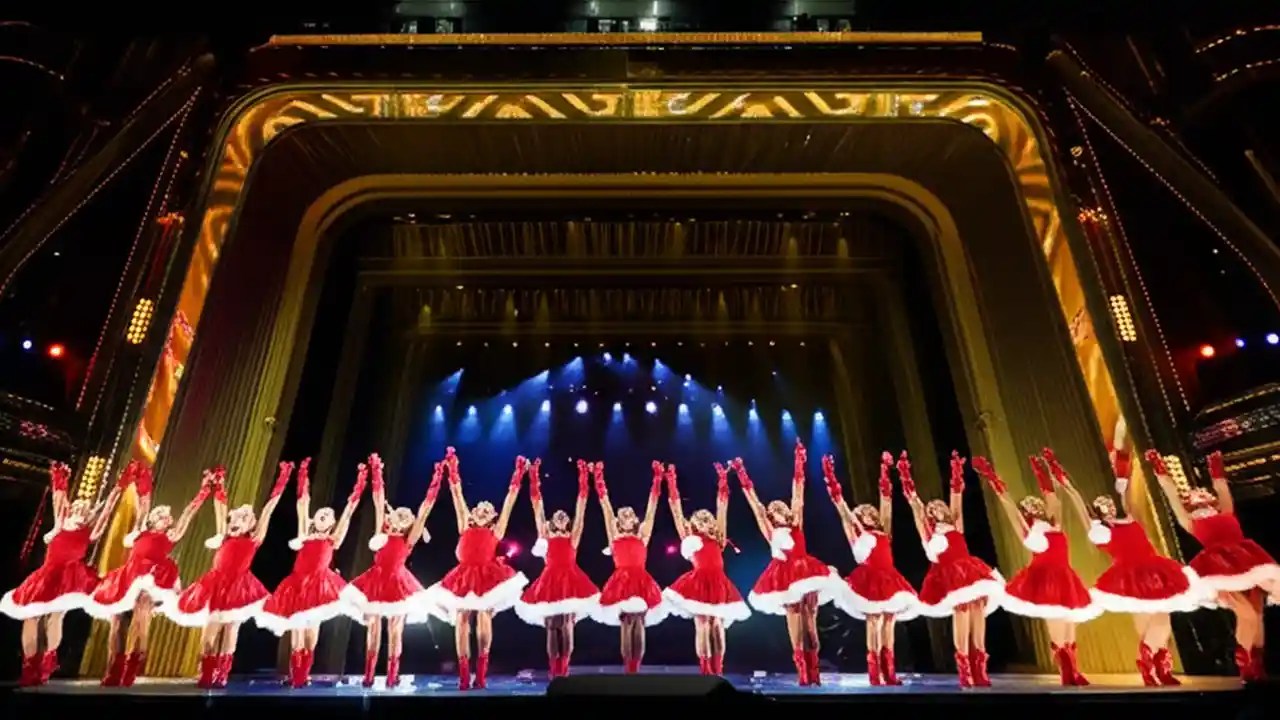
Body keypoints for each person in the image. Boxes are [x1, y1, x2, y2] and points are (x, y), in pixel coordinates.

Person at [1053, 445, 1202, 686]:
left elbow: (1126, 496)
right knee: (1150, 623)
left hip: (1155, 570)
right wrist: (1065, 482)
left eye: (1110, 503)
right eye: (1103, 506)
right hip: (1130, 577)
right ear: (1098, 513)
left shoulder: (1129, 518)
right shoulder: (1100, 531)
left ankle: (1156, 666)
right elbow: (1081, 506)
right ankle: (1150, 666)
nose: (1109, 507)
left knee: (1160, 620)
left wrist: (1126, 473)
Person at [1151, 449, 1278, 682]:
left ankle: (1257, 664)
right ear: (1189, 502)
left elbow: (1222, 488)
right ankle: (1245, 663)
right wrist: (1161, 472)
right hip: (1218, 568)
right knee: (1247, 613)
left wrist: (1216, 468)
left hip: (1248, 561)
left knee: (1258, 614)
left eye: (1203, 491)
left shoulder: (1226, 511)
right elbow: (1172, 496)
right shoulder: (1190, 521)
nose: (1200, 492)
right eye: (1195, 493)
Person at [977, 451, 1100, 686]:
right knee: (1056, 620)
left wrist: (1042, 473)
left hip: (1065, 574)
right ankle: (1065, 668)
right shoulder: (1031, 531)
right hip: (1045, 577)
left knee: (1069, 621)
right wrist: (994, 482)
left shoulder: (1055, 524)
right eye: (1030, 507)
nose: (1036, 507)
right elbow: (1010, 509)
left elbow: (1054, 499)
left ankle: (1073, 667)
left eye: (1037, 505)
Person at [164, 463, 290, 688]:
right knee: (211, 627)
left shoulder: (254, 539)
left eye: (242, 519)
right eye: (234, 519)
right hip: (216, 582)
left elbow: (269, 509)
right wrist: (219, 485)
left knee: (231, 628)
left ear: (250, 524)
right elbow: (220, 507)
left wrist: (282, 480)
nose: (235, 522)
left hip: (239, 585)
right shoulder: (224, 536)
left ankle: (222, 673)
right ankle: (206, 671)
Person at [2, 462, 125, 686]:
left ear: (88, 514)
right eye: (76, 505)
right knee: (31, 616)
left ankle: (48, 660)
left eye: (84, 508)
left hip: (69, 577)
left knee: (56, 616)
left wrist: (118, 488)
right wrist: (59, 479)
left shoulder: (89, 531)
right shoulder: (59, 524)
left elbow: (106, 511)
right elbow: (59, 499)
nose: (79, 508)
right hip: (47, 574)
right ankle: (30, 666)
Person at [88, 463, 208, 687]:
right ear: (153, 518)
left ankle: (132, 666)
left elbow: (188, 513)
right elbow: (144, 502)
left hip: (153, 578)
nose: (165, 516)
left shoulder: (171, 534)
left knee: (141, 617)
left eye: (167, 516)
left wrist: (203, 492)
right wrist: (140, 478)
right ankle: (114, 666)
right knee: (117, 621)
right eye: (161, 514)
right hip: (129, 576)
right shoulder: (141, 528)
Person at [735, 441, 840, 686]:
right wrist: (743, 476)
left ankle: (815, 671)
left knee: (811, 620)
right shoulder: (770, 529)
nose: (773, 511)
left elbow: (798, 492)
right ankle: (803, 671)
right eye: (771, 511)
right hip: (784, 577)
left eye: (777, 508)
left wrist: (799, 461)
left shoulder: (796, 524)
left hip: (806, 570)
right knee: (795, 620)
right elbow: (757, 507)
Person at [424, 448, 529, 690]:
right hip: (462, 576)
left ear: (492, 516)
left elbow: (509, 502)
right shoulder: (464, 525)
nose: (481, 507)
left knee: (484, 616)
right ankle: (463, 672)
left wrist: (517, 476)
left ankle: (481, 672)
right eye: (479, 506)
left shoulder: (495, 530)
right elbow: (457, 496)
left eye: (487, 507)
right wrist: (453, 469)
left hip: (486, 576)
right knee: (461, 619)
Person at [258, 458, 367, 688]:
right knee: (297, 626)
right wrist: (303, 475)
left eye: (328, 514)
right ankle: (295, 674)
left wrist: (359, 484)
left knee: (311, 629)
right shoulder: (304, 534)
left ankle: (304, 670)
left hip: (320, 583)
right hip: (298, 582)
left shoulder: (332, 539)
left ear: (331, 522)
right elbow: (302, 504)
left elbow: (348, 512)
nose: (323, 515)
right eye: (321, 513)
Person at [902, 451, 1003, 688]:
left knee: (978, 610)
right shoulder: (930, 532)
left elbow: (956, 496)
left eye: (939, 506)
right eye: (932, 508)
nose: (936, 508)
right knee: (963, 611)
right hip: (951, 573)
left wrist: (957, 472)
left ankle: (980, 667)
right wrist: (907, 480)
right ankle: (964, 666)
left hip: (970, 569)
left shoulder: (956, 523)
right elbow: (916, 507)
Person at [340, 454, 441, 688]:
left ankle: (393, 673)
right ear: (392, 517)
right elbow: (378, 500)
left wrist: (436, 480)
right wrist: (377, 473)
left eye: (407, 515)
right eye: (400, 512)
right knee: (373, 626)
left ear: (410, 523)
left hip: (399, 582)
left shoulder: (409, 539)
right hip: (376, 580)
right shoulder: (381, 532)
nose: (403, 514)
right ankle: (369, 673)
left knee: (395, 629)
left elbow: (425, 509)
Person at [824, 453, 920, 686]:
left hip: (890, 577)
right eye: (863, 513)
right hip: (869, 578)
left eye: (870, 512)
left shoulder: (884, 531)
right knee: (874, 621)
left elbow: (886, 502)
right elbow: (843, 510)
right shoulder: (856, 532)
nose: (868, 514)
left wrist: (885, 471)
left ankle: (890, 670)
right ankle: (875, 670)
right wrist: (832, 481)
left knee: (889, 621)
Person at [515, 458, 601, 678]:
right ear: (553, 520)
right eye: (557, 515)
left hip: (571, 580)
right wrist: (534, 477)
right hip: (550, 581)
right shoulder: (545, 535)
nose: (561, 516)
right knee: (552, 624)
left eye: (565, 516)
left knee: (567, 624)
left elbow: (581, 511)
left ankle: (565, 668)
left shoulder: (573, 537)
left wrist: (584, 481)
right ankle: (554, 670)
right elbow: (537, 508)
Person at [662, 462, 751, 675]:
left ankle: (718, 668)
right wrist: (671, 482)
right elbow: (676, 510)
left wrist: (723, 480)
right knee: (702, 624)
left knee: (717, 624)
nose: (704, 521)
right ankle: (705, 670)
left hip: (719, 582)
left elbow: (722, 507)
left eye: (707, 519)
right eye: (699, 519)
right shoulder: (689, 537)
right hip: (698, 582)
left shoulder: (718, 538)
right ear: (694, 523)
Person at [591, 460, 667, 673]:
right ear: (618, 520)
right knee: (626, 623)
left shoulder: (643, 534)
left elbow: (652, 508)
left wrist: (657, 479)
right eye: (622, 515)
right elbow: (606, 507)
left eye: (629, 514)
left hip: (641, 581)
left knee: (639, 623)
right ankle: (628, 668)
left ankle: (636, 667)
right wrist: (599, 479)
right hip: (620, 582)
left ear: (634, 519)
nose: (626, 517)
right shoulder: (614, 535)